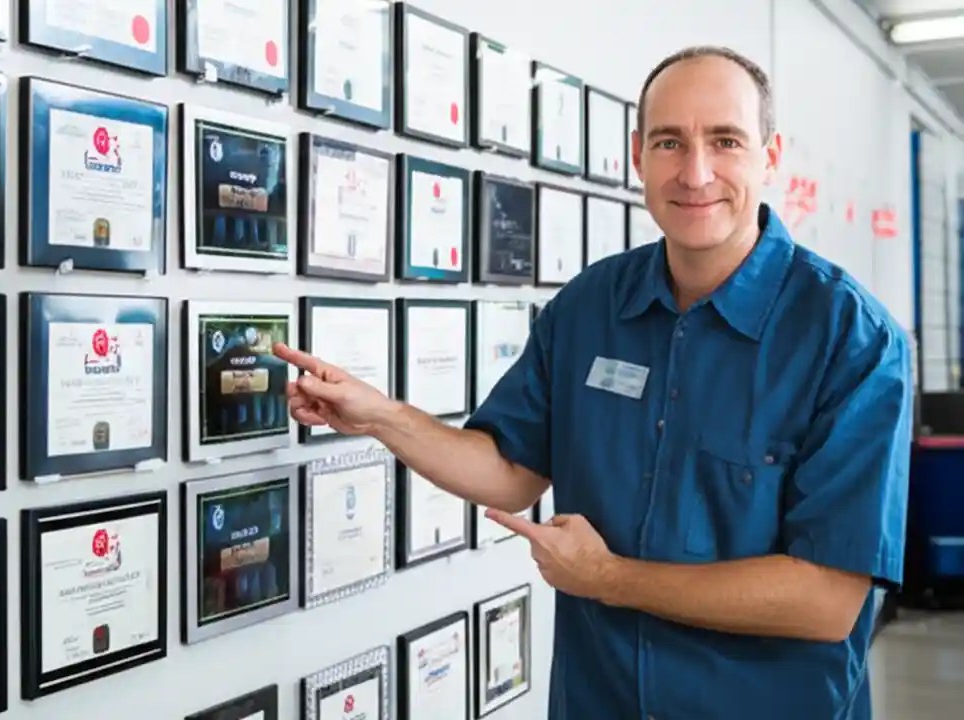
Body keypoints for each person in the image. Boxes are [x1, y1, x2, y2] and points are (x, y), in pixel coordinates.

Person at [273, 45, 912, 720]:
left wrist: (609, 579)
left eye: (725, 141)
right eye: (669, 142)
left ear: (770, 157)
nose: (695, 172)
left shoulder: (852, 340)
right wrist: (379, 416)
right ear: (638, 156)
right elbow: (511, 472)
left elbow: (825, 602)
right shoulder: (590, 307)